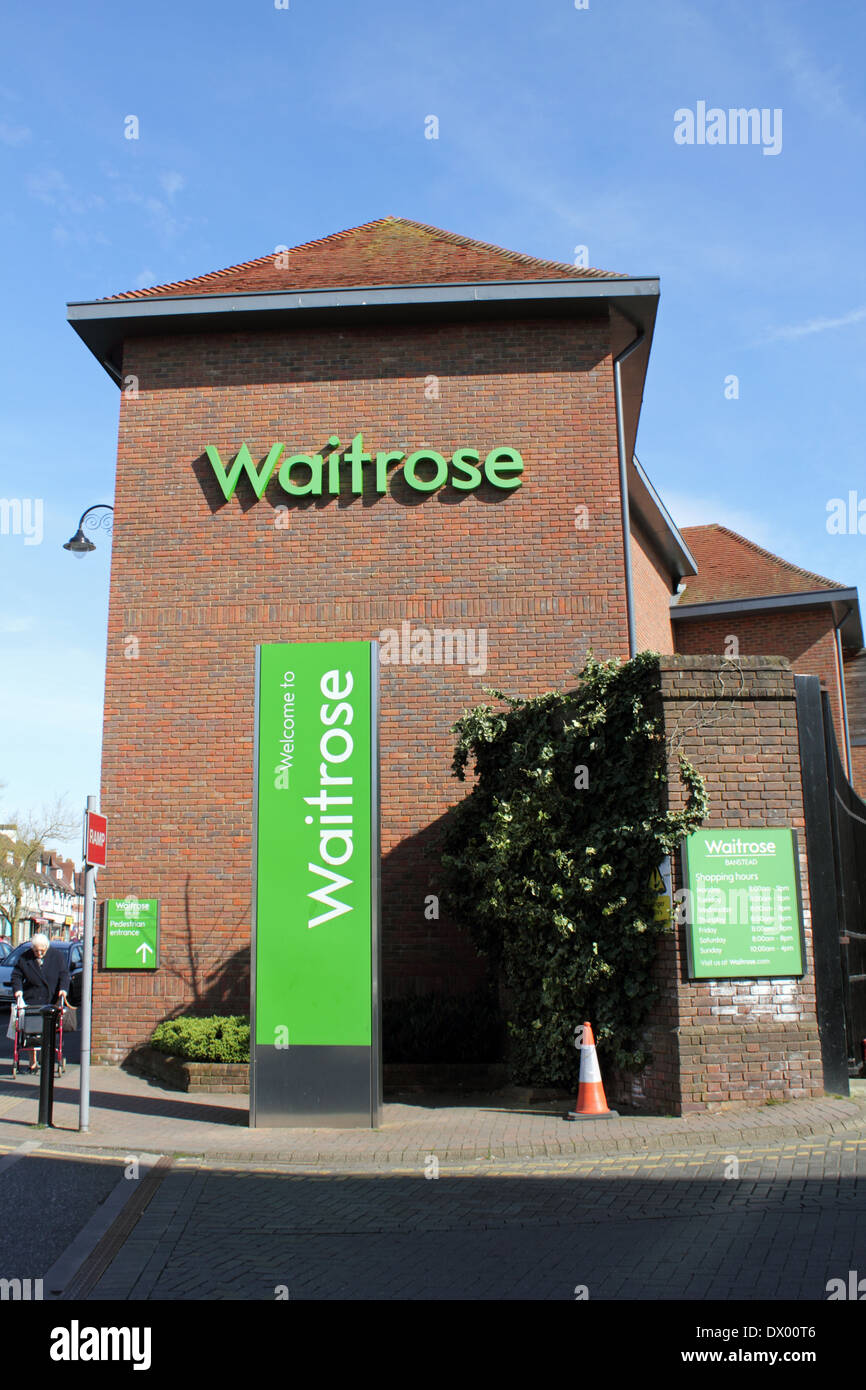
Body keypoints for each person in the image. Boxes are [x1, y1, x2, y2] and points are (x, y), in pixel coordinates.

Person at [11, 932, 69, 1072]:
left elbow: (64, 975)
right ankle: (32, 1062)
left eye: (42, 950)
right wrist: (18, 990)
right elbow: (16, 975)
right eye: (36, 950)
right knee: (31, 1031)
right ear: (32, 948)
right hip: (32, 998)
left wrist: (63, 990)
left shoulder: (57, 957)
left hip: (50, 999)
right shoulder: (25, 958)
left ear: (47, 947)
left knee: (48, 1031)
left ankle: (47, 1059)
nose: (39, 953)